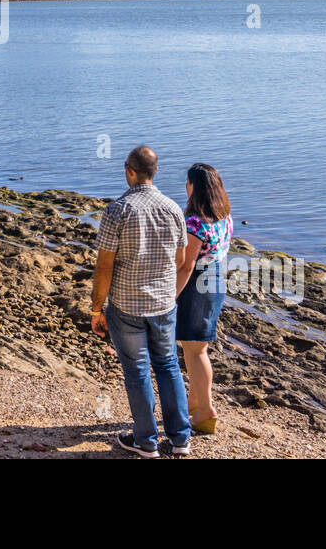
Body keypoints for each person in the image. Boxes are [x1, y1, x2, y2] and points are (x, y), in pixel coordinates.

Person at [91, 145, 191, 457]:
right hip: (163, 304)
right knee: (169, 365)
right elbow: (180, 258)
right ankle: (180, 439)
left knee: (137, 369)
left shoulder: (116, 211)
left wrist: (96, 308)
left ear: (129, 171)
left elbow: (104, 265)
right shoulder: (174, 209)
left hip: (127, 306)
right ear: (155, 172)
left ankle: (146, 441)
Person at [175, 162, 233, 435]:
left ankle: (206, 411)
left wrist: (171, 296)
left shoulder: (195, 222)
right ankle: (195, 400)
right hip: (217, 281)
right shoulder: (224, 215)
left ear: (193, 187)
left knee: (193, 349)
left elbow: (186, 265)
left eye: (187, 183)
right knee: (199, 347)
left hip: (197, 285)